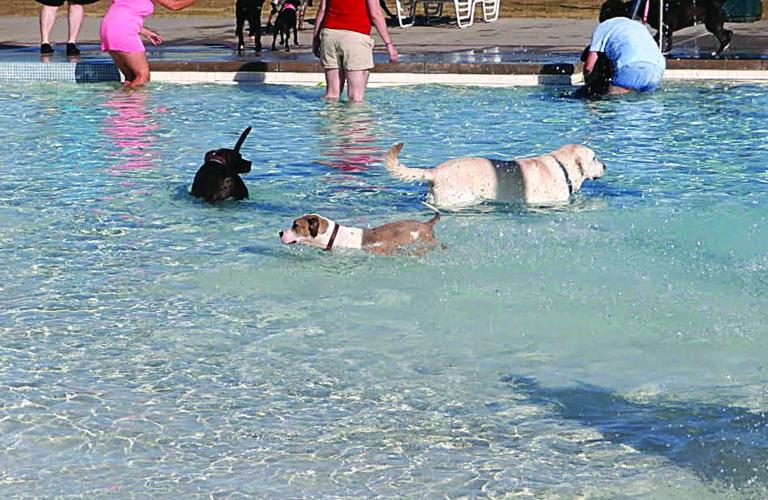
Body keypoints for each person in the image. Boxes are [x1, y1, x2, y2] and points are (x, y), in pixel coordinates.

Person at [100, 0, 199, 89]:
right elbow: (173, 5)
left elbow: (121, 10)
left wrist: (145, 32)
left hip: (108, 27)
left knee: (131, 78)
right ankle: (132, 107)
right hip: (123, 30)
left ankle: (124, 106)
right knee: (142, 76)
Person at [312, 0, 398, 102]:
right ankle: (356, 117)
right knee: (355, 97)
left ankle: (331, 116)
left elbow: (322, 9)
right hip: (356, 36)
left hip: (330, 35)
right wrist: (389, 44)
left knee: (332, 94)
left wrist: (316, 38)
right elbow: (375, 14)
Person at [581, 1, 666, 96]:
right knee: (644, 105)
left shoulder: (604, 26)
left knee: (612, 102)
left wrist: (588, 85)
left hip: (630, 65)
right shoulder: (637, 26)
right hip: (657, 69)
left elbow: (589, 66)